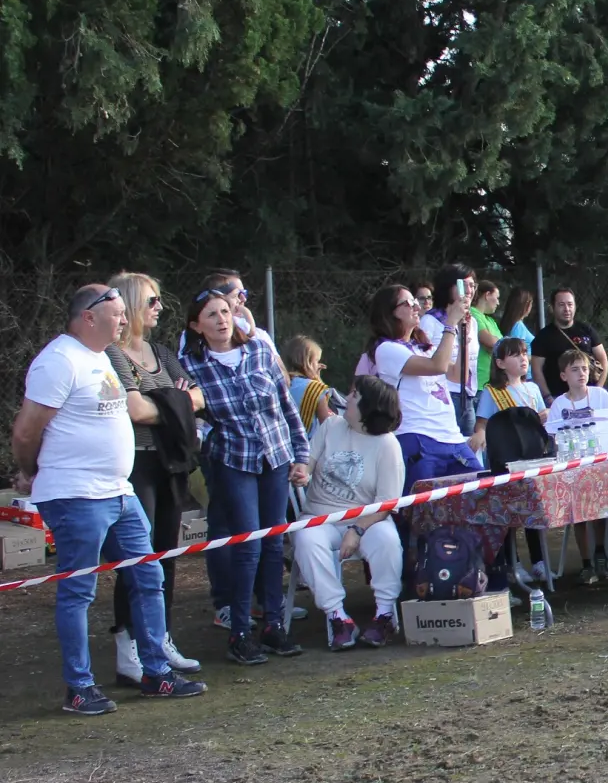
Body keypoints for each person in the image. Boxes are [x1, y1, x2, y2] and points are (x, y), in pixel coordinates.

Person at [14, 284, 207, 714]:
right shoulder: (58, 361)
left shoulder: (99, 358)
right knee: (78, 591)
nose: (124, 320)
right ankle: (79, 688)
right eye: (117, 313)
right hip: (76, 496)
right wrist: (31, 470)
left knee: (148, 577)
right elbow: (27, 430)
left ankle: (156, 673)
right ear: (88, 316)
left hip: (120, 492)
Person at [178, 285, 311, 665]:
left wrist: (301, 455)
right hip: (234, 460)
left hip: (276, 456)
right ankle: (239, 630)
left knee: (273, 542)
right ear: (196, 326)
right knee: (247, 543)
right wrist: (203, 440)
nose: (221, 320)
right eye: (211, 316)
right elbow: (193, 420)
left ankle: (273, 624)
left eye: (225, 312)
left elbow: (286, 407)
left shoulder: (258, 352)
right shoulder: (192, 366)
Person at [102, 272, 204, 680]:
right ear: (128, 305)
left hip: (171, 463)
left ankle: (159, 637)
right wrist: (175, 402)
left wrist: (167, 400)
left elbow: (197, 397)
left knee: (166, 552)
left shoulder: (162, 352)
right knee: (137, 556)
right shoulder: (113, 354)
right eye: (151, 301)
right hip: (137, 462)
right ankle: (128, 645)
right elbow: (134, 410)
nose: (159, 307)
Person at [363, 282, 481, 629]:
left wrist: (462, 330)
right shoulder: (386, 350)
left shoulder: (420, 345)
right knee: (423, 518)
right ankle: (421, 589)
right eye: (408, 304)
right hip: (417, 439)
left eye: (417, 303)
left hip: (451, 438)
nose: (417, 309)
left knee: (482, 500)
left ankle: (474, 575)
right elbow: (438, 366)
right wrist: (448, 325)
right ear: (389, 313)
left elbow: (454, 369)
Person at [290, 376, 406, 652]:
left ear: (367, 408)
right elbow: (308, 462)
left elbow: (387, 503)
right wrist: (302, 473)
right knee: (305, 539)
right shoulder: (331, 425)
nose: (346, 399)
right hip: (320, 516)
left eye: (353, 396)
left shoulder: (387, 445)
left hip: (367, 518)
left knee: (388, 540)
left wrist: (356, 530)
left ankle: (385, 614)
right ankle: (337, 616)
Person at [477, 337, 550, 585]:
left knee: (532, 510)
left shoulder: (532, 389)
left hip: (532, 460)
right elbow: (482, 427)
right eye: (515, 355)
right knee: (508, 514)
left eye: (524, 353)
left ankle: (540, 561)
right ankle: (514, 563)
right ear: (499, 363)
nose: (523, 358)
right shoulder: (493, 392)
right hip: (504, 463)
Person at [546, 348, 608, 584]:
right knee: (576, 512)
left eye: (585, 369)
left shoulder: (599, 395)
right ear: (563, 376)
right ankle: (586, 561)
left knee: (599, 505)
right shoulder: (559, 403)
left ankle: (601, 551)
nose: (581, 374)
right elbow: (553, 433)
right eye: (575, 369)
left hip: (600, 462)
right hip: (572, 465)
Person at [422, 265, 484, 436]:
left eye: (473, 285)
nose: (470, 290)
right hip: (443, 395)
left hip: (468, 395)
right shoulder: (430, 321)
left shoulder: (472, 321)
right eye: (465, 285)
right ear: (449, 286)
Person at [530, 287, 608, 399]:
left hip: (589, 395)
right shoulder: (543, 336)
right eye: (561, 304)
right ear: (552, 308)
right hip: (558, 396)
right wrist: (548, 397)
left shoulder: (586, 330)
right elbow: (536, 370)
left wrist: (598, 389)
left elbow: (603, 360)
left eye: (570, 304)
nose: (567, 309)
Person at [284, 334, 340, 436]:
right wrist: (318, 381)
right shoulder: (315, 388)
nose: (319, 365)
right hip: (306, 445)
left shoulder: (280, 382)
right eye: (317, 361)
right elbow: (328, 423)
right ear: (307, 363)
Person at [471, 280, 503, 389]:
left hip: (493, 383)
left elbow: (501, 346)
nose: (498, 303)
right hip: (480, 383)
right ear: (487, 295)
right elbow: (491, 342)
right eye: (497, 297)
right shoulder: (472, 313)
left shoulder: (490, 320)